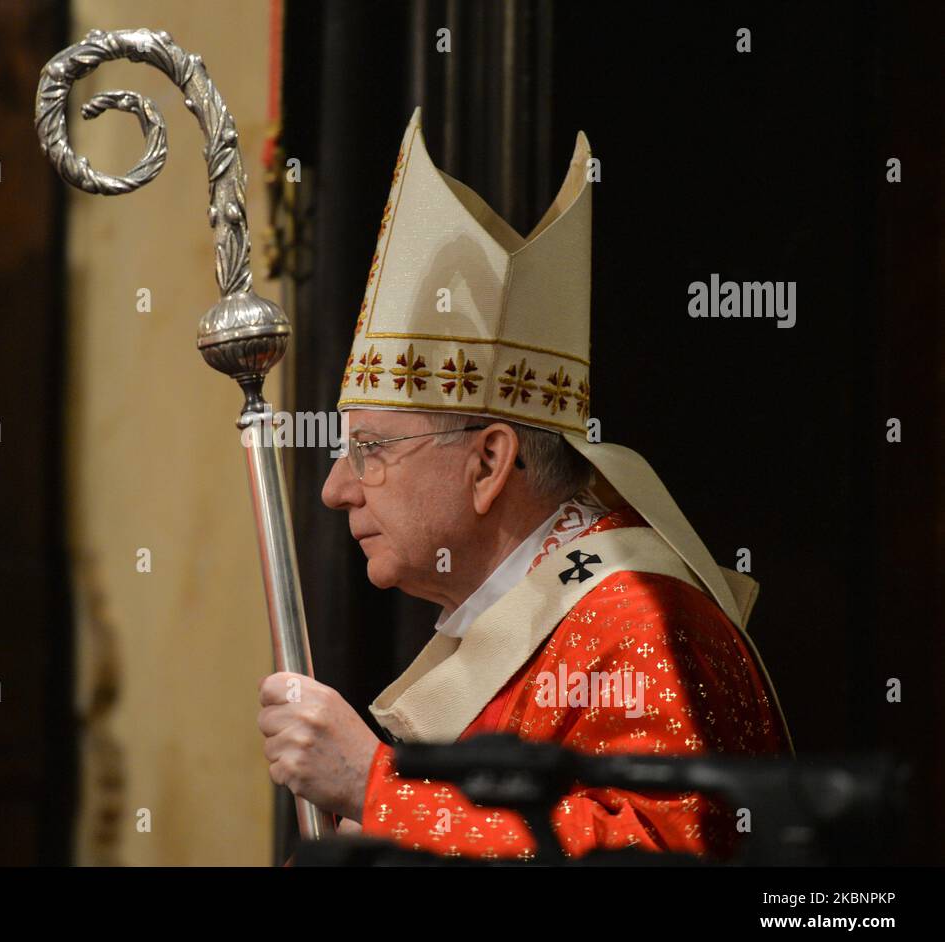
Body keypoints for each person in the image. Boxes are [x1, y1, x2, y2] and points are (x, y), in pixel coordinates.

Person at [256, 106, 791, 860]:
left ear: (488, 463)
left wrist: (375, 789)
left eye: (370, 448)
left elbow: (661, 853)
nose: (336, 488)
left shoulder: (637, 626)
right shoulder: (516, 618)